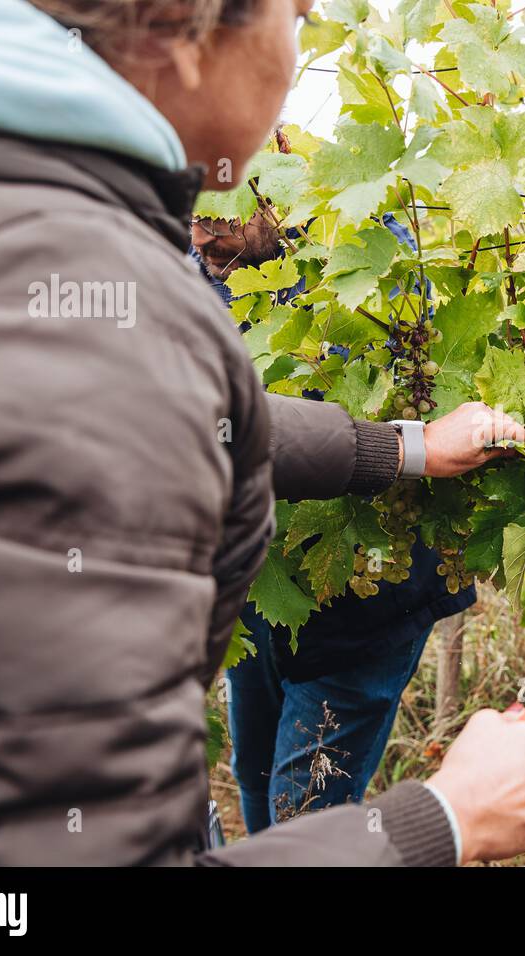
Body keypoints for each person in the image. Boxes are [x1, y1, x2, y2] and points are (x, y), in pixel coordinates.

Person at [0, 0, 525, 866]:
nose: (305, 25)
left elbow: (174, 409)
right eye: (294, 9)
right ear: (183, 30)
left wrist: (405, 447)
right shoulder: (78, 294)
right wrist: (442, 822)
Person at [192, 210, 475, 830]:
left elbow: (324, 419)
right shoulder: (190, 276)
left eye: (221, 218)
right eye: (191, 215)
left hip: (365, 601)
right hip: (261, 588)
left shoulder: (370, 248)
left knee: (308, 811)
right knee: (256, 775)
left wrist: (409, 449)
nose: (202, 238)